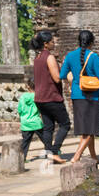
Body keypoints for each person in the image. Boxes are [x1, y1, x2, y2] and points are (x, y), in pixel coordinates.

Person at [59, 30, 99, 164]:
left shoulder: (70, 56)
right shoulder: (93, 57)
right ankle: (76, 156)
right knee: (90, 129)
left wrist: (73, 81)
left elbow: (62, 75)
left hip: (77, 96)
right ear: (92, 42)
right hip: (92, 97)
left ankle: (93, 157)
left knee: (86, 129)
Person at [29, 30, 69, 163]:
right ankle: (54, 151)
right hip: (51, 97)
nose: (54, 43)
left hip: (40, 98)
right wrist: (65, 69)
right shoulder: (49, 57)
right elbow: (57, 78)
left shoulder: (38, 58)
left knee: (48, 127)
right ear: (45, 44)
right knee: (65, 124)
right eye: (52, 41)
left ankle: (48, 152)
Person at [17, 73, 44, 161]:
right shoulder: (38, 96)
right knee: (45, 139)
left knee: (25, 142)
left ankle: (22, 158)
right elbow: (41, 109)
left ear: (27, 86)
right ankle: (54, 152)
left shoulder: (23, 97)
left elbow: (20, 110)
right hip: (36, 122)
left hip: (25, 123)